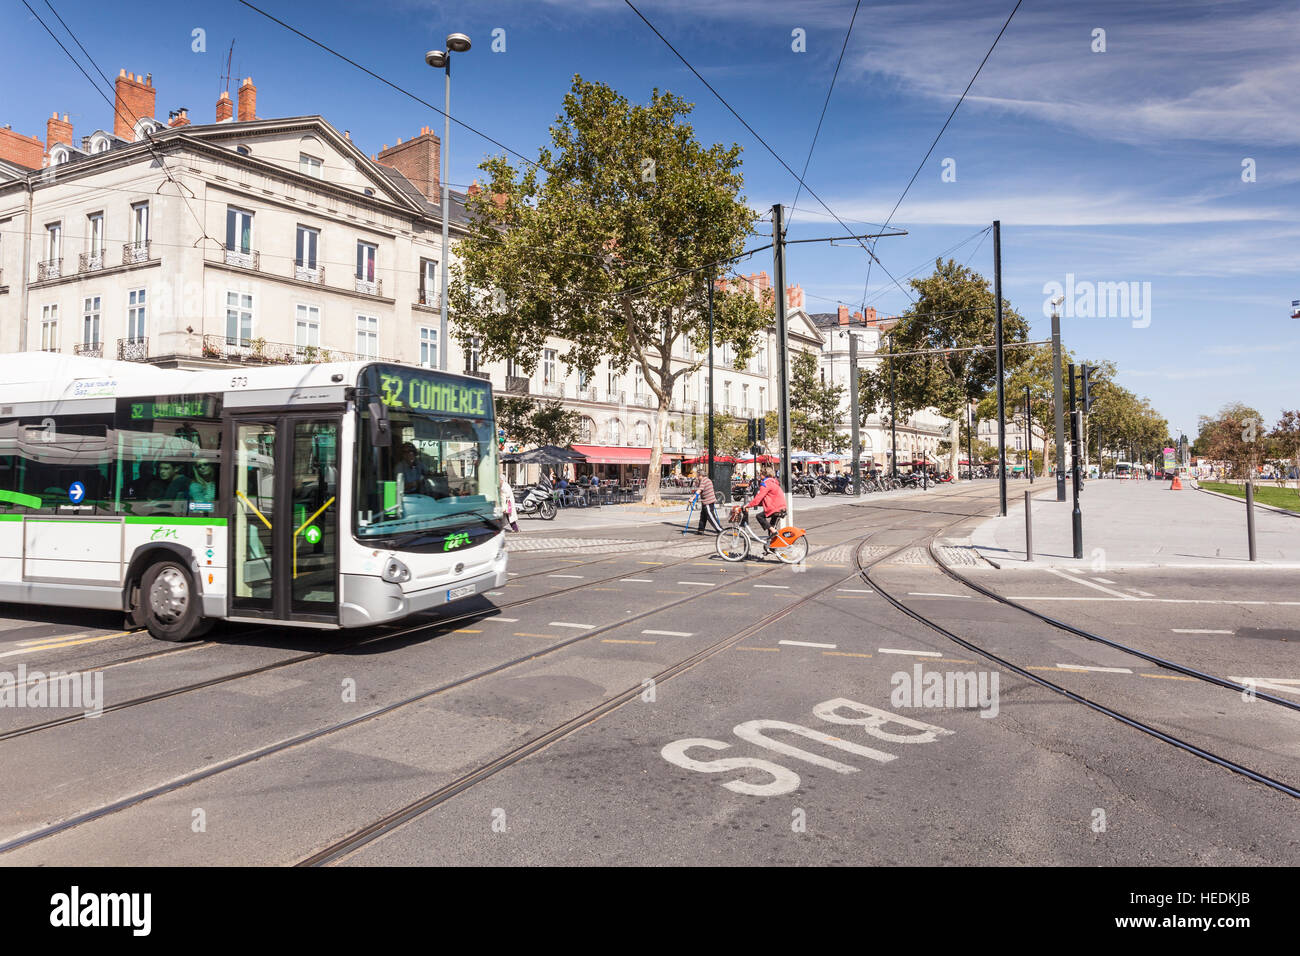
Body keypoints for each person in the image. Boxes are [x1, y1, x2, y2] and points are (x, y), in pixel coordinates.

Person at [746, 465, 788, 550]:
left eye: (760, 474)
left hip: (775, 508)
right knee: (771, 527)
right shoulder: (773, 482)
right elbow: (764, 499)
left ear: (763, 475)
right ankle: (772, 547)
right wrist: (755, 504)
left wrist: (748, 505)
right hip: (781, 507)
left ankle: (774, 534)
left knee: (759, 516)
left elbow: (758, 498)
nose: (759, 476)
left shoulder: (766, 484)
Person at [693, 466, 723, 533]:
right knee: (703, 516)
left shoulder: (704, 480)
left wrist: (692, 498)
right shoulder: (707, 479)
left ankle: (720, 529)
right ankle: (701, 529)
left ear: (701, 475)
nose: (697, 477)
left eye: (698, 476)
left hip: (707, 502)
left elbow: (699, 490)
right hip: (706, 501)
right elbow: (701, 488)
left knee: (710, 516)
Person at [500, 466, 519, 532]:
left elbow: (507, 494)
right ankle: (500, 528)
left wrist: (502, 494)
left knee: (509, 517)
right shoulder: (502, 485)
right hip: (505, 503)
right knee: (505, 517)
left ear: (502, 480)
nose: (499, 481)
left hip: (508, 503)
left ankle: (515, 528)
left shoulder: (505, 485)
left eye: (500, 480)